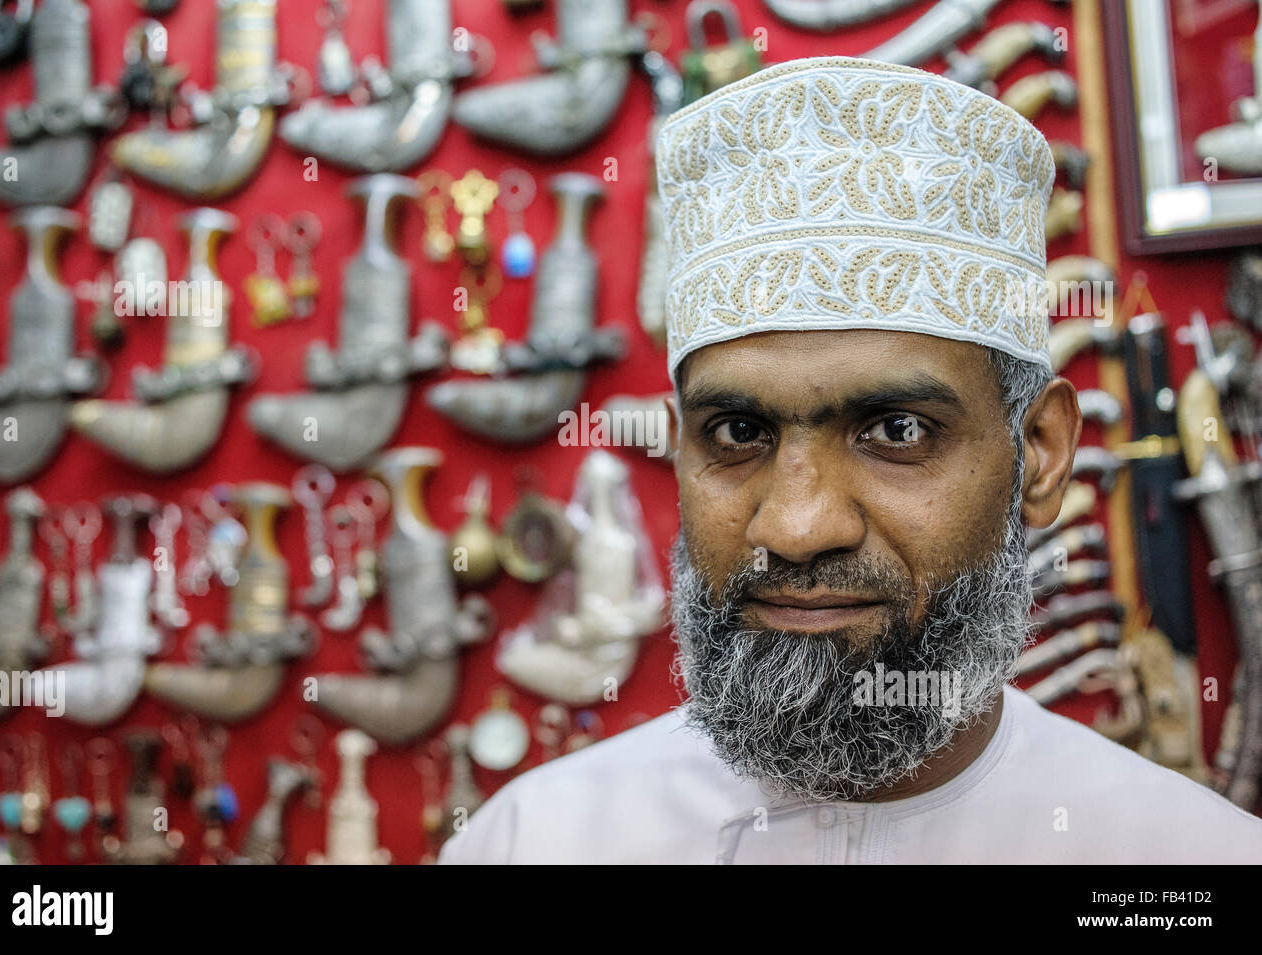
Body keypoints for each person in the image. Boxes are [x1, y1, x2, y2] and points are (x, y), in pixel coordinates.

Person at [439, 55, 1262, 863]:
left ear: (1039, 455)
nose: (796, 527)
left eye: (897, 430)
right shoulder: (530, 841)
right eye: (737, 432)